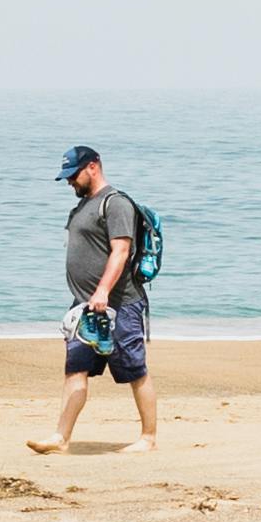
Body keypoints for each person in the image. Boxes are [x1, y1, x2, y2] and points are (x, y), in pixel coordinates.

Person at [44, 140, 157, 454]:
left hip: (120, 304)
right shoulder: (83, 205)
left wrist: (103, 290)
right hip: (85, 307)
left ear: (93, 166)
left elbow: (121, 251)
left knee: (135, 370)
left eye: (73, 173)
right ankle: (60, 438)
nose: (69, 180)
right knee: (75, 369)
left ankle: (148, 438)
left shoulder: (116, 203)